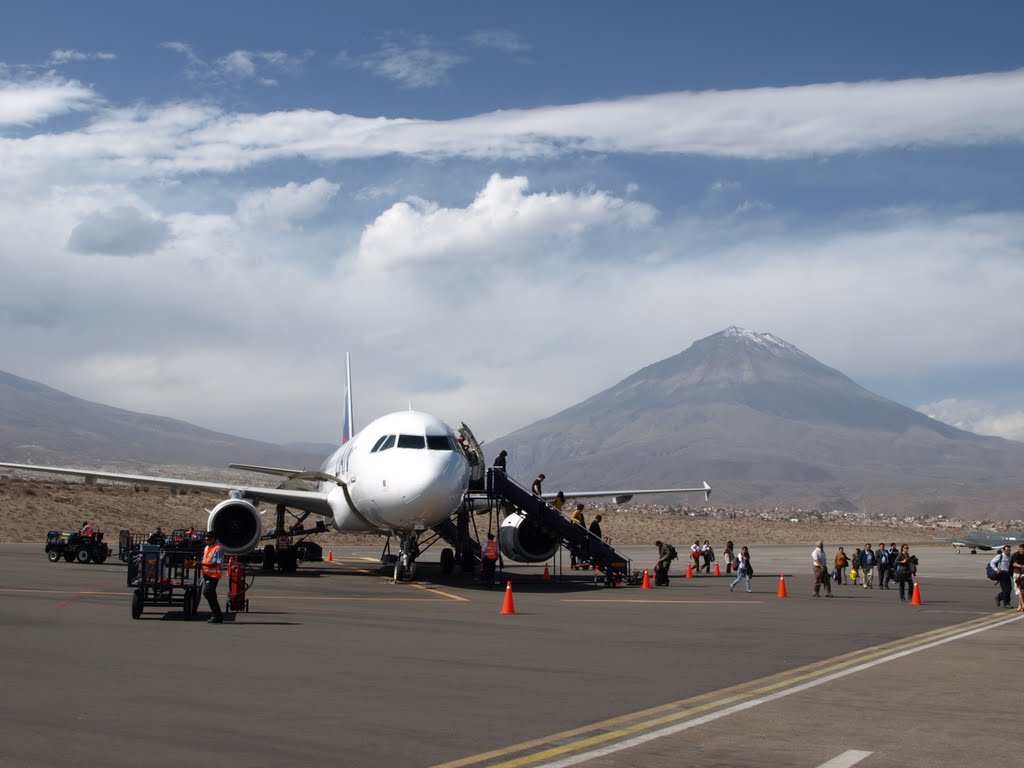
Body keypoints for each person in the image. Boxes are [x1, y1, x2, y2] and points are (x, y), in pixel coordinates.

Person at [201, 531, 225, 623]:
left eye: (209, 538)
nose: (207, 539)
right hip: (207, 575)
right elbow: (206, 560)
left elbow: (215, 563)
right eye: (206, 538)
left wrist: (200, 564)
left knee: (207, 592)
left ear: (214, 539)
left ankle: (217, 614)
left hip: (213, 575)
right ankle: (217, 615)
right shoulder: (206, 548)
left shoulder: (218, 549)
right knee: (210, 594)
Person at [1011, 543, 1024, 612]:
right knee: (1019, 590)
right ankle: (1022, 605)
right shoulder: (1017, 555)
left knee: (1022, 591)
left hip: (1023, 574)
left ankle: (1020, 606)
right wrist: (1022, 566)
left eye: (1022, 549)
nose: (1021, 550)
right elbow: (1014, 564)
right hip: (1017, 573)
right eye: (1020, 549)